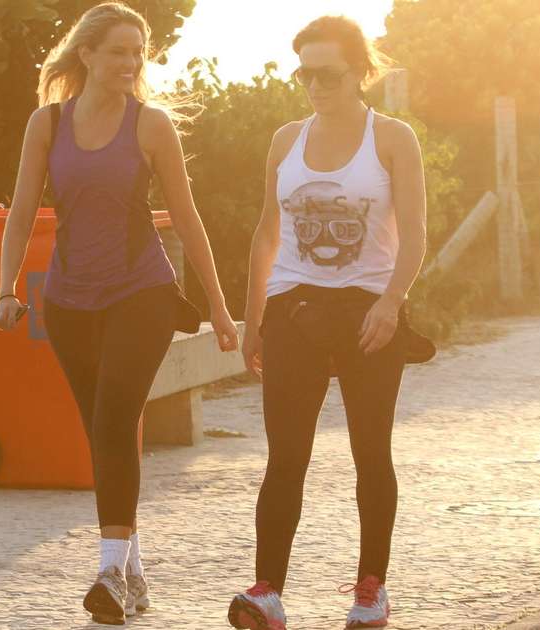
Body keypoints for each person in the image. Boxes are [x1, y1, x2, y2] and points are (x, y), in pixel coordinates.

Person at [0, 2, 239, 625]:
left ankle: (106, 569)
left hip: (142, 291)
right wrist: (5, 288)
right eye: (119, 52)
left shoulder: (150, 125)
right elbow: (22, 210)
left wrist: (218, 305)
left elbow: (186, 216)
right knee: (103, 429)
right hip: (69, 298)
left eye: (139, 52)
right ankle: (132, 569)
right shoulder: (46, 124)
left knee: (113, 415)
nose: (132, 63)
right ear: (88, 55)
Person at [227, 15, 428, 630]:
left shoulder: (393, 139)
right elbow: (268, 230)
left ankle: (371, 589)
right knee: (285, 456)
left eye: (329, 74)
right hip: (293, 309)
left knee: (372, 452)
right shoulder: (286, 140)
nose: (316, 85)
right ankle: (267, 592)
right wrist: (253, 316)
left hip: (368, 311)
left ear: (361, 72)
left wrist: (392, 302)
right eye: (305, 73)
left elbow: (416, 234)